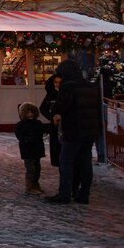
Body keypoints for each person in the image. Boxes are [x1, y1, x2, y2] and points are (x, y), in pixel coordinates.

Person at [47, 59, 101, 205]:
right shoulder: (90, 86)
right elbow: (96, 109)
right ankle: (84, 194)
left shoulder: (68, 87)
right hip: (89, 130)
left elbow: (61, 106)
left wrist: (54, 109)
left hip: (73, 129)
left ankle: (65, 193)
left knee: (66, 161)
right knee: (85, 162)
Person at [15, 102, 47, 195]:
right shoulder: (20, 125)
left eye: (32, 112)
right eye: (28, 112)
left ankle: (35, 185)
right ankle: (29, 187)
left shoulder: (38, 123)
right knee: (30, 169)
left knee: (37, 168)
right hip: (28, 150)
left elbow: (44, 130)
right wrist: (28, 139)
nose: (30, 114)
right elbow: (20, 136)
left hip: (37, 149)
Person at [39, 72, 64, 173]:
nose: (57, 84)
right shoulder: (50, 95)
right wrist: (51, 117)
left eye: (59, 82)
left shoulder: (67, 94)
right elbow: (43, 108)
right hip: (54, 126)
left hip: (66, 127)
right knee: (57, 153)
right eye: (55, 82)